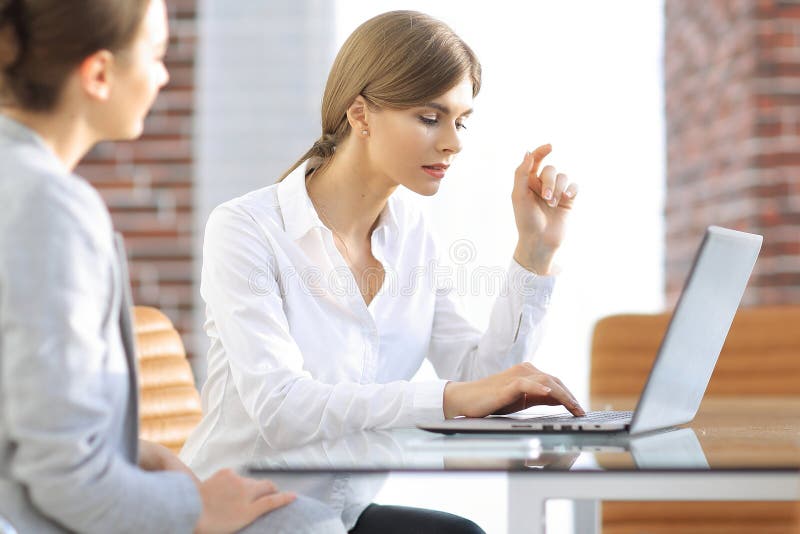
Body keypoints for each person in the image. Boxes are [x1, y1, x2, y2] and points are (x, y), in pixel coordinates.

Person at [180, 10, 585, 533]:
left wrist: (535, 250)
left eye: (461, 121)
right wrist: (447, 399)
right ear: (360, 114)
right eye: (429, 117)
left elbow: (477, 379)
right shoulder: (246, 230)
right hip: (241, 511)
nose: (453, 142)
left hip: (339, 511)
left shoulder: (412, 234)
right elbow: (281, 408)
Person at [0, 0, 346, 532]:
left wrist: (129, 450)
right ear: (98, 73)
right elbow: (62, 477)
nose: (163, 76)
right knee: (305, 523)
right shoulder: (48, 209)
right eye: (157, 55)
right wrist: (196, 510)